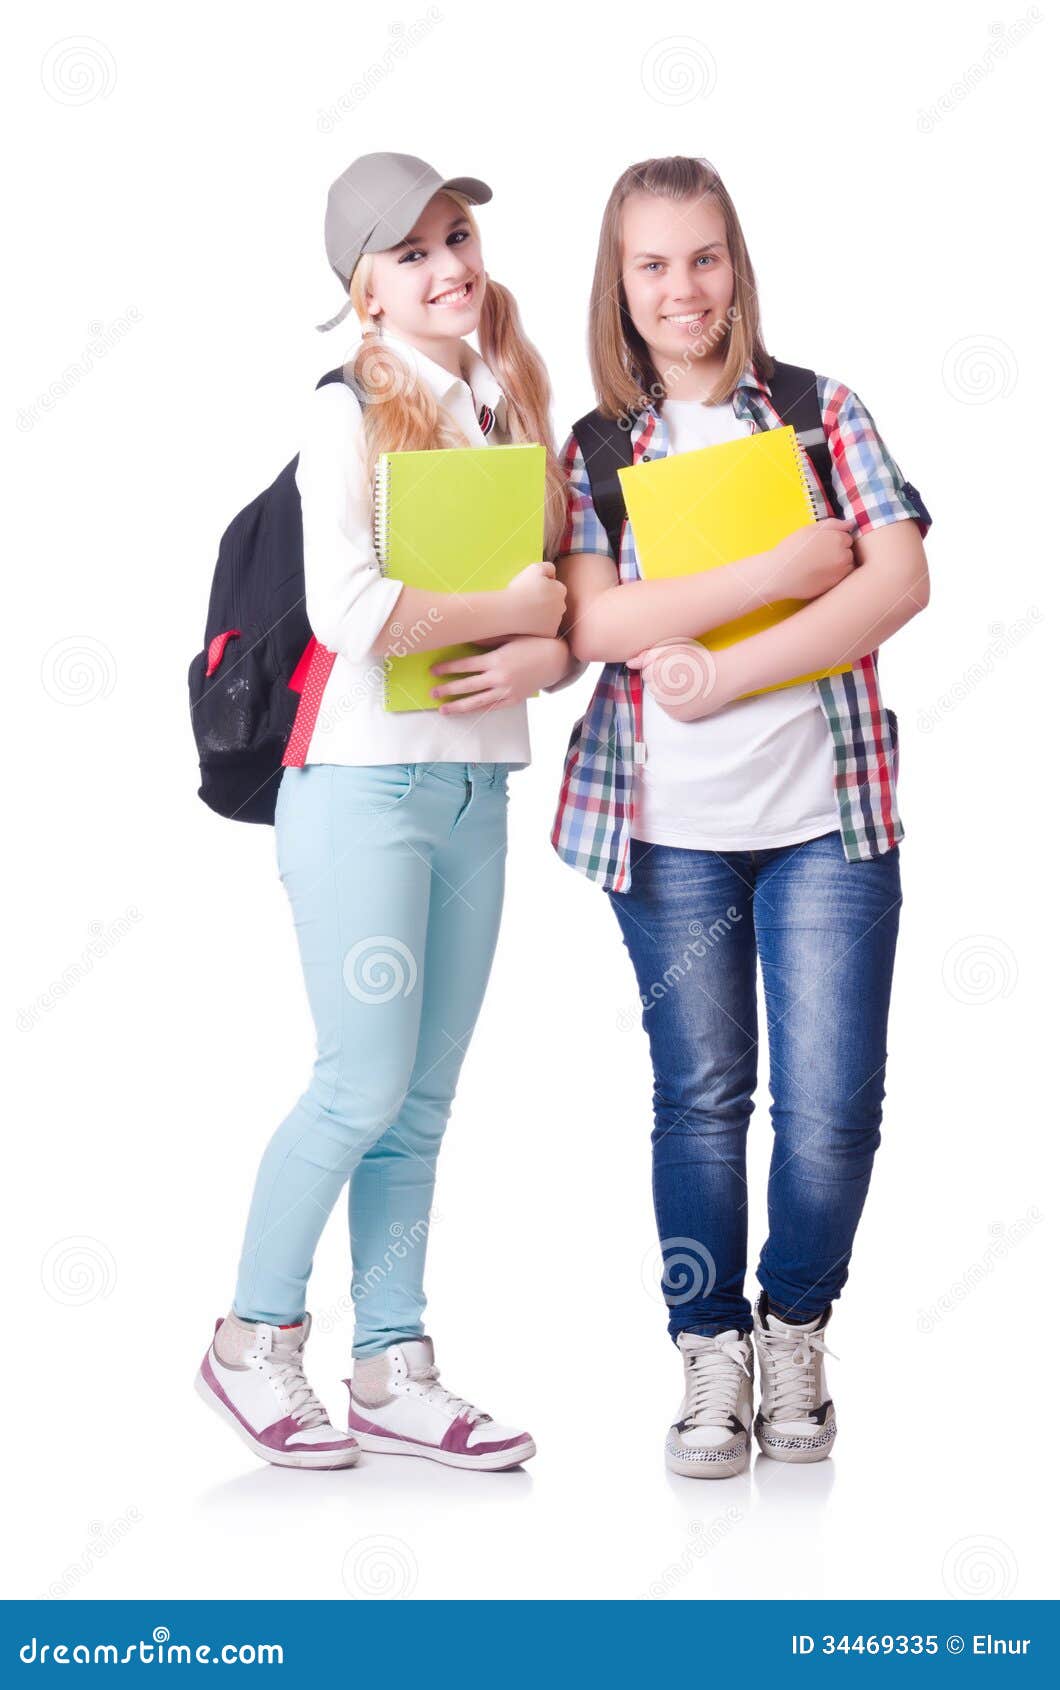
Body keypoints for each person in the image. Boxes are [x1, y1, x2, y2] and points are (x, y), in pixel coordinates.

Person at [553, 155, 931, 1477]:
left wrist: (721, 664)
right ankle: (707, 1346)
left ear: (737, 266)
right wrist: (773, 574)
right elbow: (595, 622)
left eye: (702, 258)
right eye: (652, 264)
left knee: (831, 1111)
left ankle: (794, 1328)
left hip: (827, 819)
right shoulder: (598, 448)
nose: (682, 288)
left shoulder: (825, 414)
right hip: (662, 832)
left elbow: (896, 584)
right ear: (621, 282)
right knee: (701, 1100)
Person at [196, 152, 571, 1471]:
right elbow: (353, 613)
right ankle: (252, 1338)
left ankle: (390, 1364)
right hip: (360, 785)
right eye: (410, 251)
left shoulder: (505, 401)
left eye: (456, 236)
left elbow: (559, 616)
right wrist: (519, 610)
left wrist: (547, 637)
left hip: (476, 783)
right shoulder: (345, 407)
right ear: (365, 286)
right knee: (358, 1084)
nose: (447, 265)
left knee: (421, 1100)